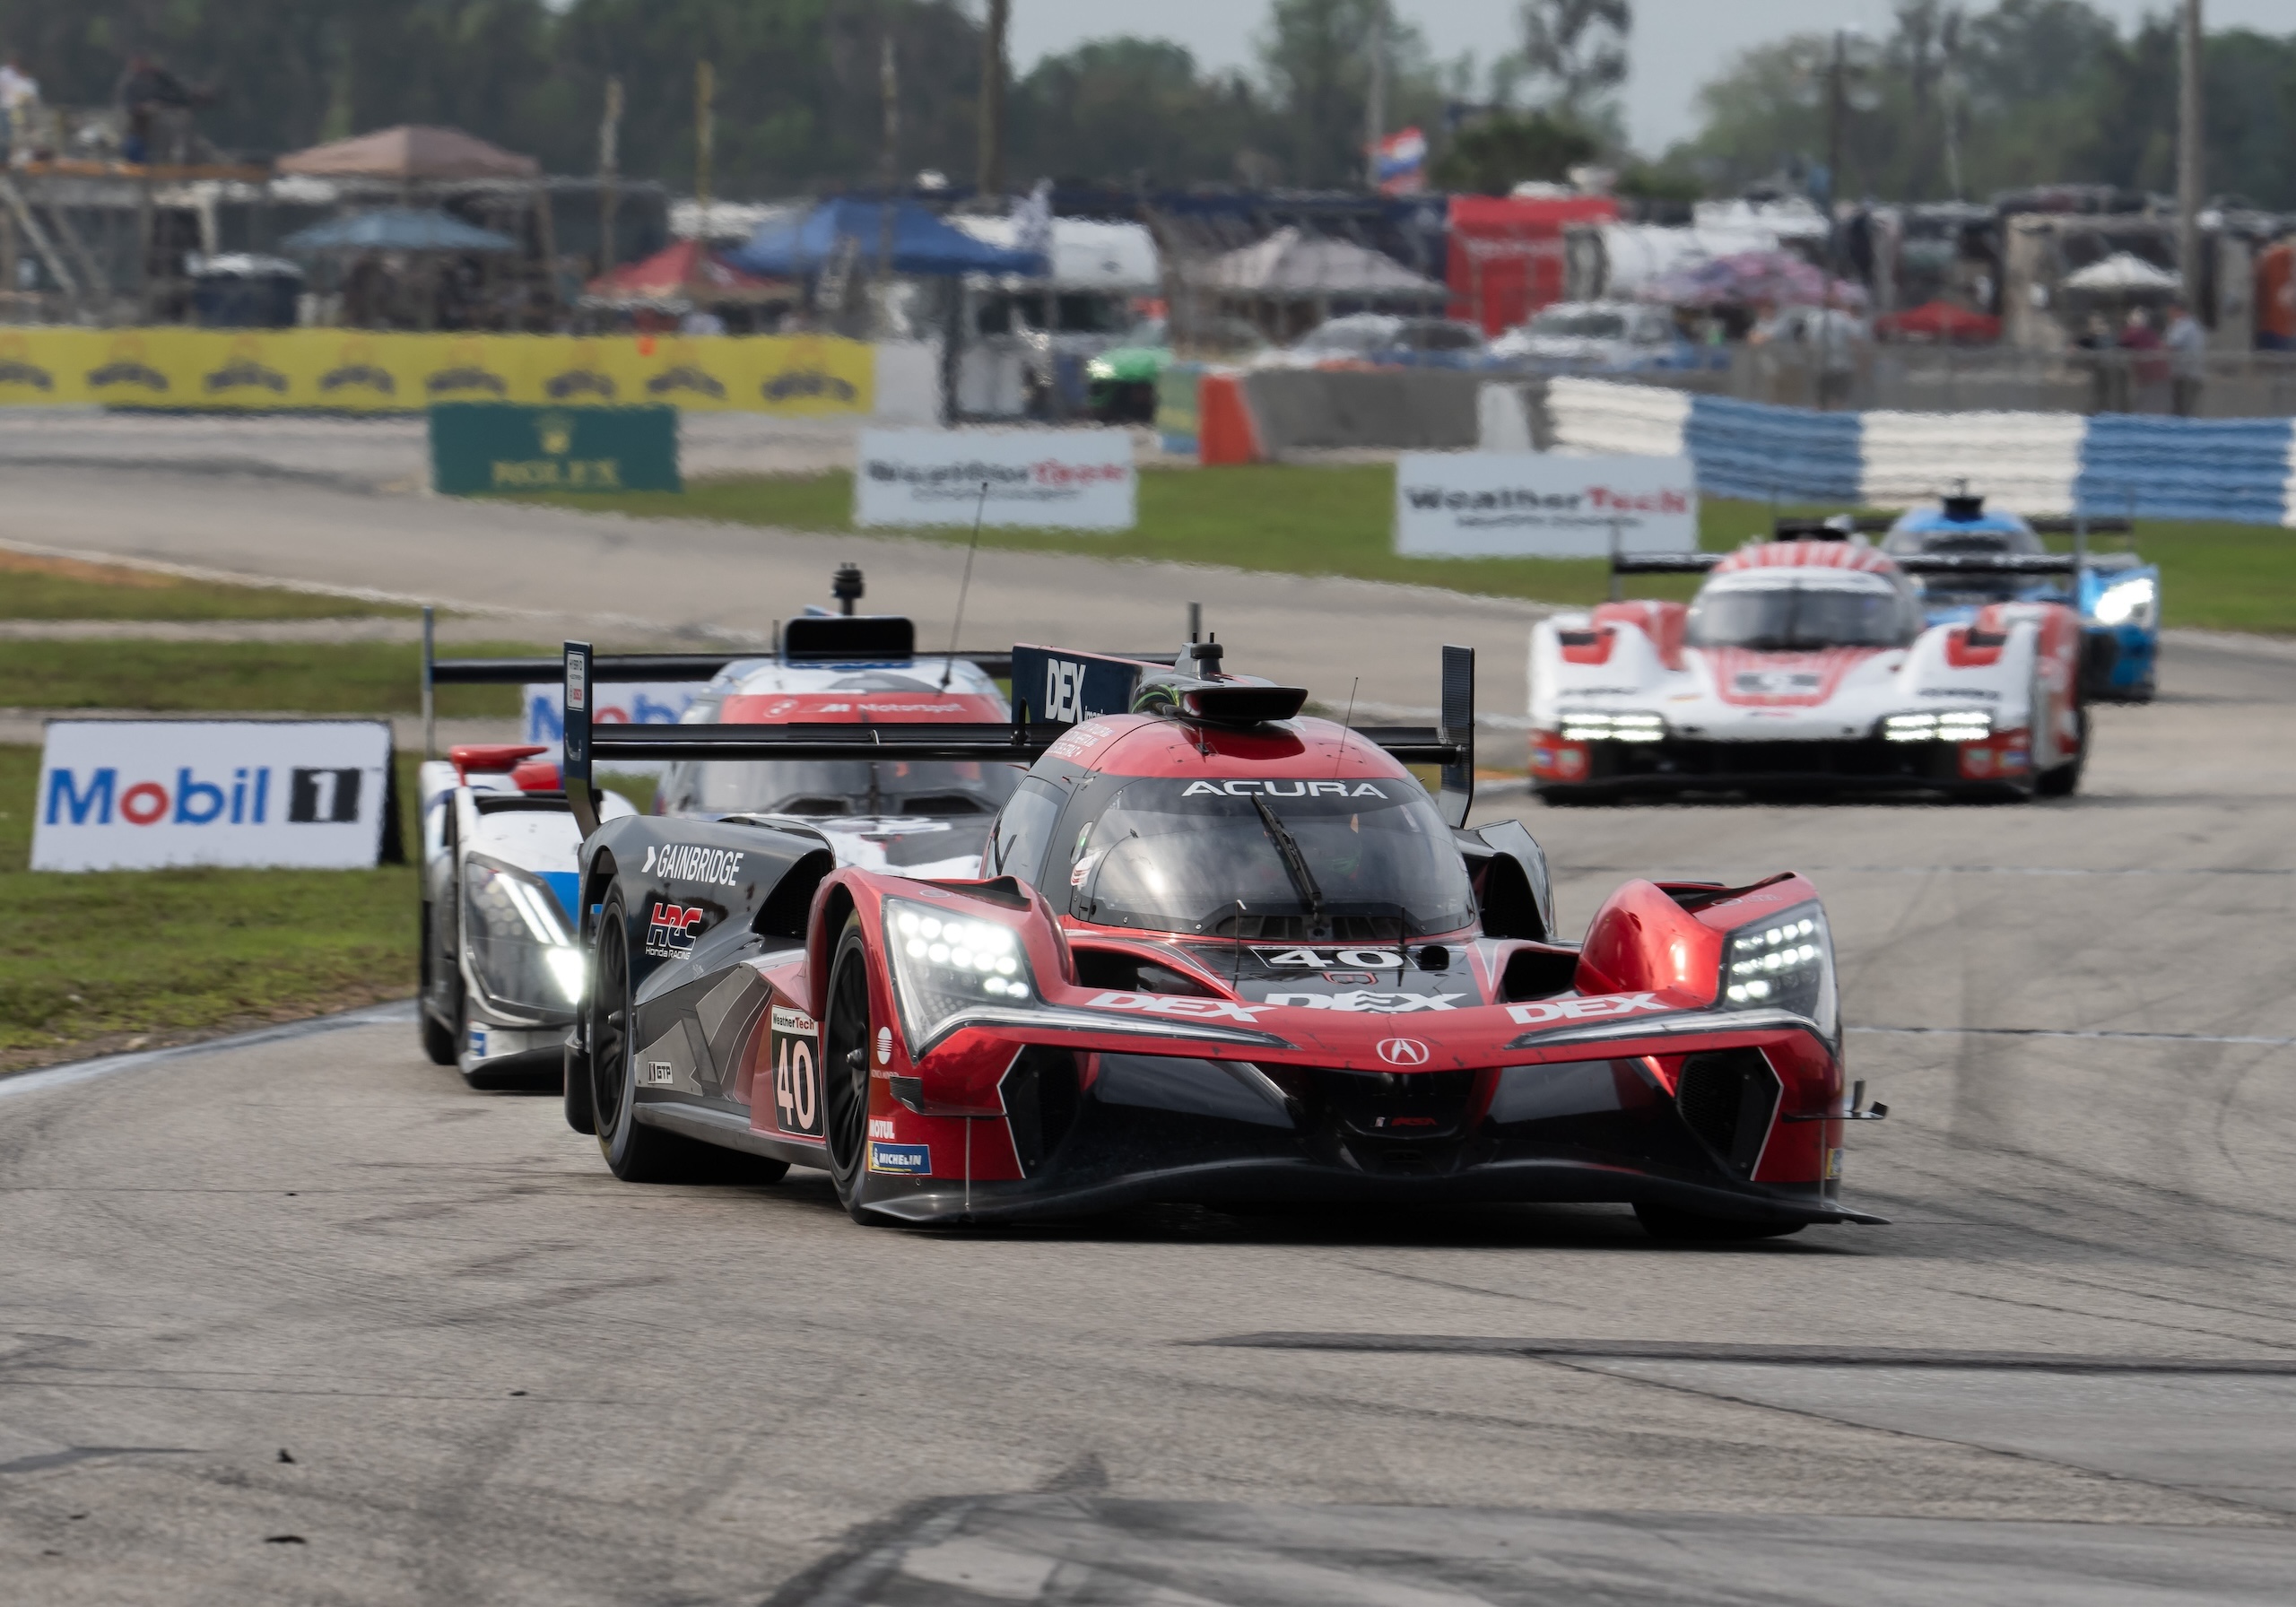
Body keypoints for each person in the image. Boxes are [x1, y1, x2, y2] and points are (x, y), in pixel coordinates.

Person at [2162, 298, 2206, 416]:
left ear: (2177, 310)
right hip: (2187, 374)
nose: (2169, 314)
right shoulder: (2193, 324)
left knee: (2182, 410)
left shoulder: (2184, 326)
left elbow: (2171, 345)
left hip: (2186, 375)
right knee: (2183, 409)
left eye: (2170, 311)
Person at [0, 54, 37, 166]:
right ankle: (6, 158)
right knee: (9, 134)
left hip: (17, 110)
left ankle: (15, 158)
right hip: (8, 108)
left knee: (18, 133)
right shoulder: (5, 74)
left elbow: (29, 98)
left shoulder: (26, 81)